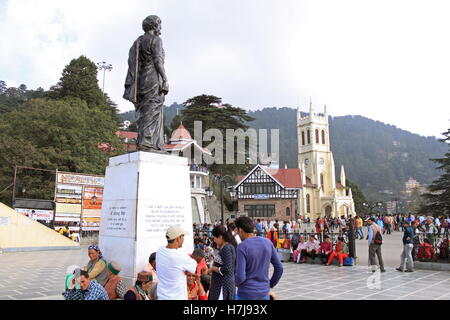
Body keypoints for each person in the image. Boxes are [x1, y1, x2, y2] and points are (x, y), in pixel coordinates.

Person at [123, 15, 169, 152]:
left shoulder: (138, 41)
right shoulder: (156, 40)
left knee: (146, 110)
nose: (161, 27)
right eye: (159, 24)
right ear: (154, 25)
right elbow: (157, 61)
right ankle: (147, 141)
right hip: (153, 78)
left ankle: (148, 141)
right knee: (153, 108)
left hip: (142, 79)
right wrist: (165, 78)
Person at [234, 217, 283, 300]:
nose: (238, 235)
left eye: (238, 232)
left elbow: (240, 277)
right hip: (264, 293)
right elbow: (279, 268)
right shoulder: (267, 242)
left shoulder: (242, 247)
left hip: (246, 293)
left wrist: (233, 282)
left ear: (241, 230)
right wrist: (269, 284)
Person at [156, 224, 197, 300]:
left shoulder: (160, 250)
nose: (183, 239)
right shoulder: (180, 256)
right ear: (178, 238)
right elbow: (194, 266)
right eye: (183, 236)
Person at [208, 225, 237, 300]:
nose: (214, 240)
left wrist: (213, 269)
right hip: (221, 285)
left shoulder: (227, 248)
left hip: (223, 287)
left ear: (220, 237)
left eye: (214, 237)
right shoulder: (225, 248)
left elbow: (228, 269)